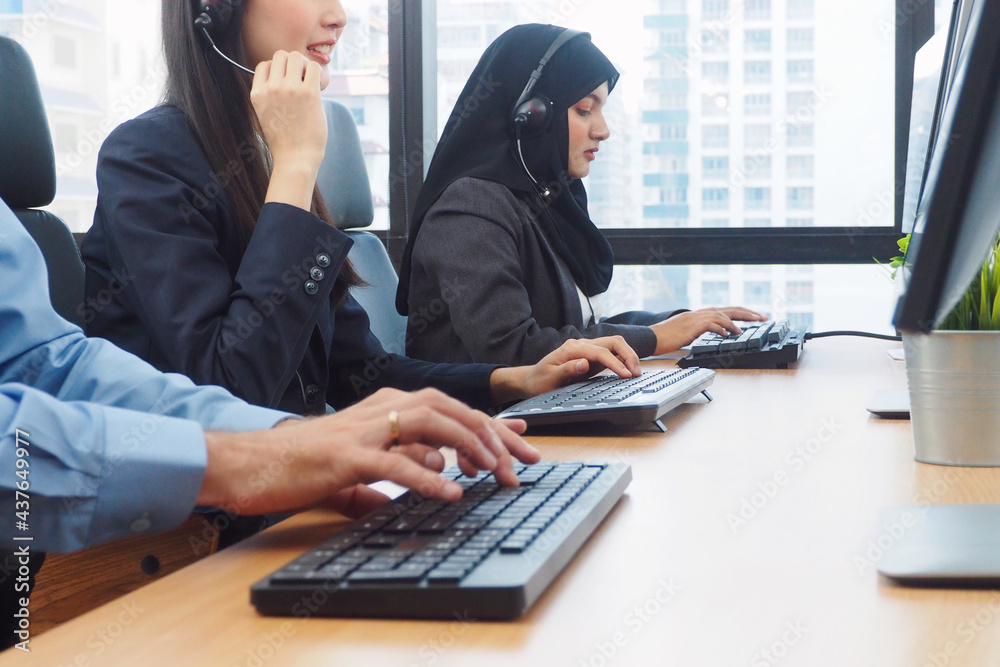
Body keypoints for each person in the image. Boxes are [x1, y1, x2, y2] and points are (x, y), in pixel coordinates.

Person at [0, 197, 539, 650]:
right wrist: (237, 461)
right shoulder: (153, 162)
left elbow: (46, 364)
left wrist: (282, 438)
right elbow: (233, 377)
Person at [81, 1, 639, 419]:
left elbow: (361, 375)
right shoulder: (147, 159)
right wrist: (298, 163)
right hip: (193, 537)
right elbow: (233, 390)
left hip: (303, 486)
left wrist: (513, 381)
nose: (339, 16)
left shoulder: (269, 163)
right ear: (219, 8)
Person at [396, 24, 765, 367]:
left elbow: (579, 328)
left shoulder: (539, 199)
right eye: (585, 110)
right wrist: (654, 338)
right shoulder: (469, 209)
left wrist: (684, 322)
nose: (603, 130)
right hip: (484, 426)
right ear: (531, 114)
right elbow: (513, 350)